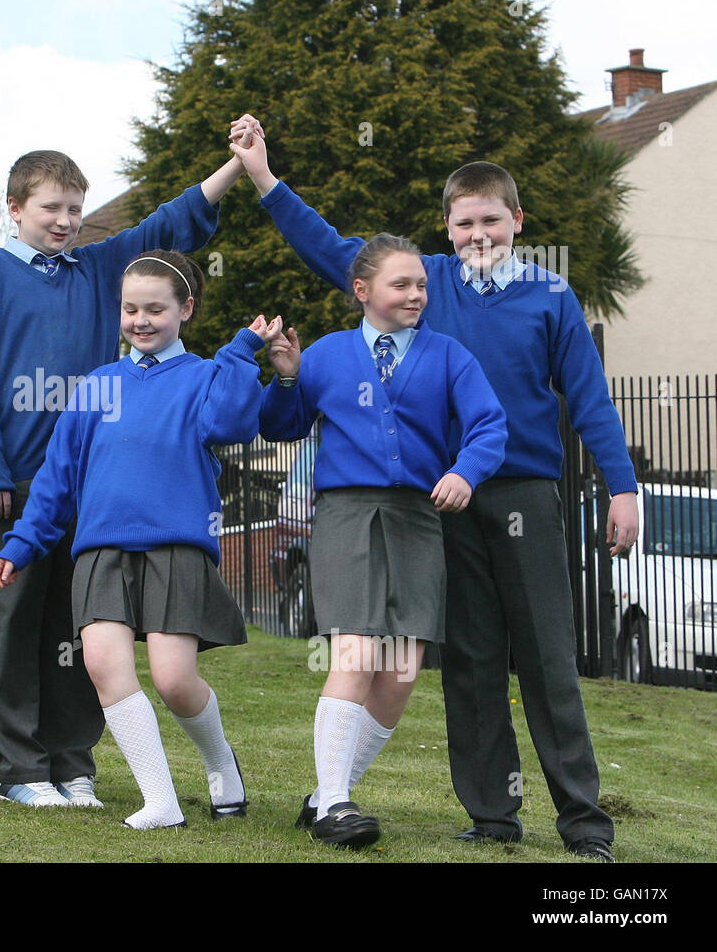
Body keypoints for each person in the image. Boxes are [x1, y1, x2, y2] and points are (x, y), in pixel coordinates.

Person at [231, 117, 638, 861]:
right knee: (473, 662)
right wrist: (263, 177)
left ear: (517, 221)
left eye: (491, 219)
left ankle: (585, 824)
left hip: (522, 496)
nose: (477, 233)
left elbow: (590, 401)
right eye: (463, 222)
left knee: (547, 659)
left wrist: (623, 487)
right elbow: (332, 247)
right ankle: (492, 815)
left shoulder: (551, 297)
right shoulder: (425, 284)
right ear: (446, 230)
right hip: (439, 500)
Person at [0, 144, 253, 808]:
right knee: (13, 630)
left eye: (74, 209)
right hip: (18, 484)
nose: (63, 220)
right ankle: (16, 768)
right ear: (15, 209)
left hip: (89, 492)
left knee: (80, 631)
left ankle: (70, 760)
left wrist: (236, 165)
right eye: (49, 208)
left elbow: (169, 223)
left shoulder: (97, 268)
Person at [0, 251, 276, 827]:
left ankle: (222, 766)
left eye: (155, 309)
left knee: (174, 680)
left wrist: (242, 353)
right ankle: (161, 801)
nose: (141, 320)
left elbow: (237, 423)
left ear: (185, 309)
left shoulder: (204, 376)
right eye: (130, 309)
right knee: (103, 666)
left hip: (175, 548)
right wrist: (22, 542)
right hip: (100, 551)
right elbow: (57, 476)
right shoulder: (97, 386)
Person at [259, 234, 506, 848]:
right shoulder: (326, 354)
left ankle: (323, 796)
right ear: (363, 291)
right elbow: (281, 427)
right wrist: (287, 379)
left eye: (421, 284)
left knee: (399, 673)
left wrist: (463, 472)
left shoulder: (450, 356)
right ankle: (338, 806)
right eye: (402, 284)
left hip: (419, 518)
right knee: (358, 651)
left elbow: (489, 426)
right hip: (347, 513)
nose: (416, 294)